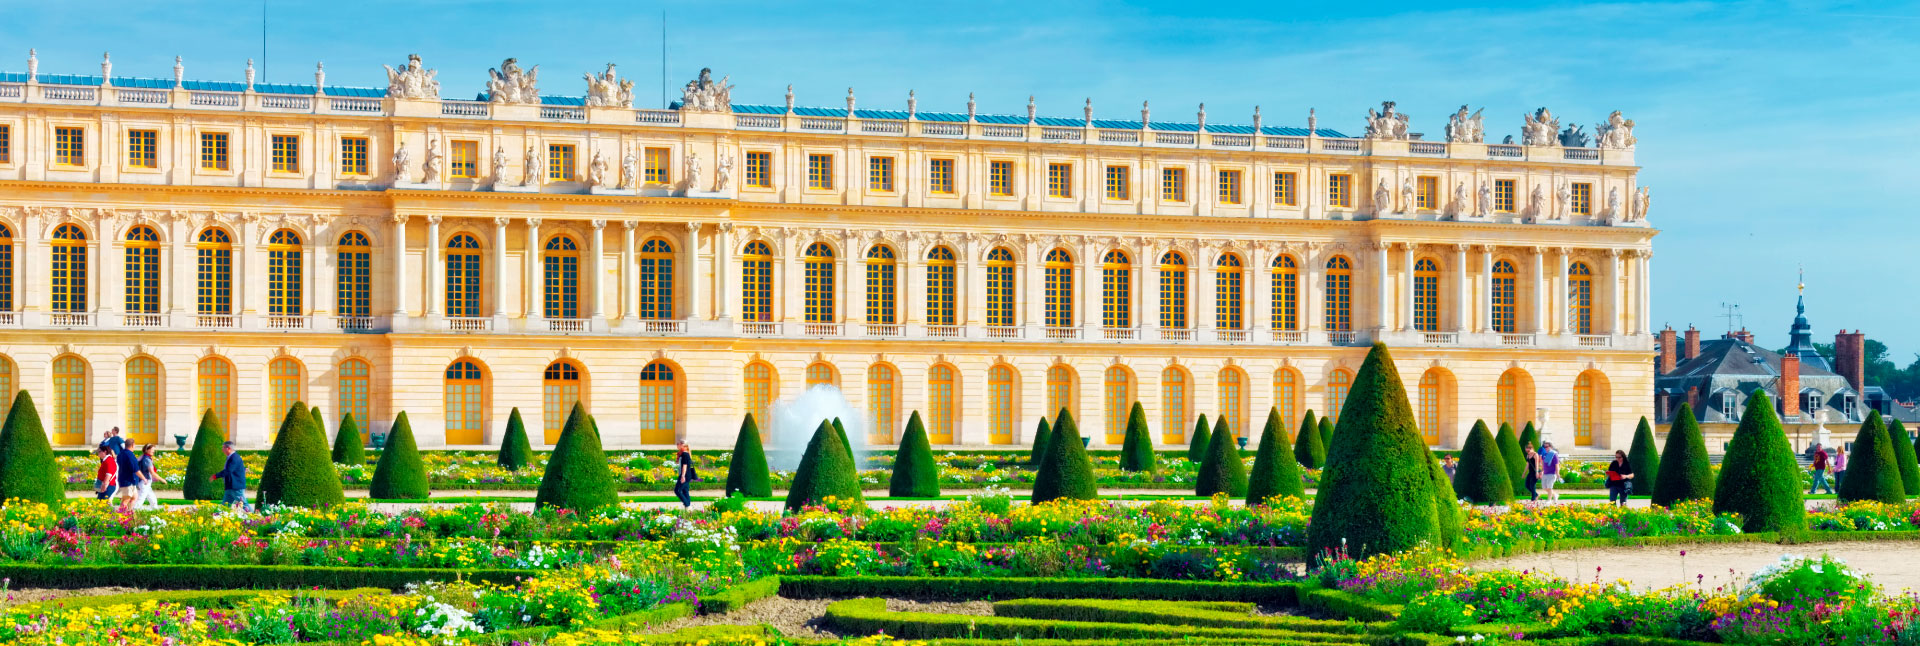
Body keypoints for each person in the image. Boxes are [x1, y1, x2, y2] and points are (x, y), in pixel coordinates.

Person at [209, 441, 250, 512]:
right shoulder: (231, 457)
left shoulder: (234, 458)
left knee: (244, 505)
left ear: (228, 448)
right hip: (230, 486)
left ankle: (256, 517)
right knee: (225, 505)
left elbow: (228, 471)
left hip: (236, 487)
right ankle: (217, 517)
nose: (222, 449)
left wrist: (215, 476)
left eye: (223, 447)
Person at [113, 437, 143, 513]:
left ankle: (129, 512)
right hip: (128, 480)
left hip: (125, 479)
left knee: (134, 497)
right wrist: (144, 478)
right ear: (132, 445)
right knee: (126, 499)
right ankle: (121, 514)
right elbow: (135, 469)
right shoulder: (130, 455)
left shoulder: (121, 454)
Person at [135, 444, 161, 510]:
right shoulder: (147, 459)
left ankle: (155, 508)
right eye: (152, 450)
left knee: (151, 496)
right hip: (145, 481)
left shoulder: (144, 457)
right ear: (147, 450)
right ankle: (134, 509)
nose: (153, 451)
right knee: (141, 497)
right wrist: (162, 479)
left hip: (145, 481)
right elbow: (152, 472)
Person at [673, 441, 695, 508]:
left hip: (684, 475)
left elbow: (684, 466)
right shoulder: (685, 454)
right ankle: (688, 506)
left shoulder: (684, 454)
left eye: (678, 444)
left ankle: (687, 505)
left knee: (677, 490)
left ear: (683, 445)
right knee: (685, 491)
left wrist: (682, 476)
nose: (677, 445)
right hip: (687, 475)